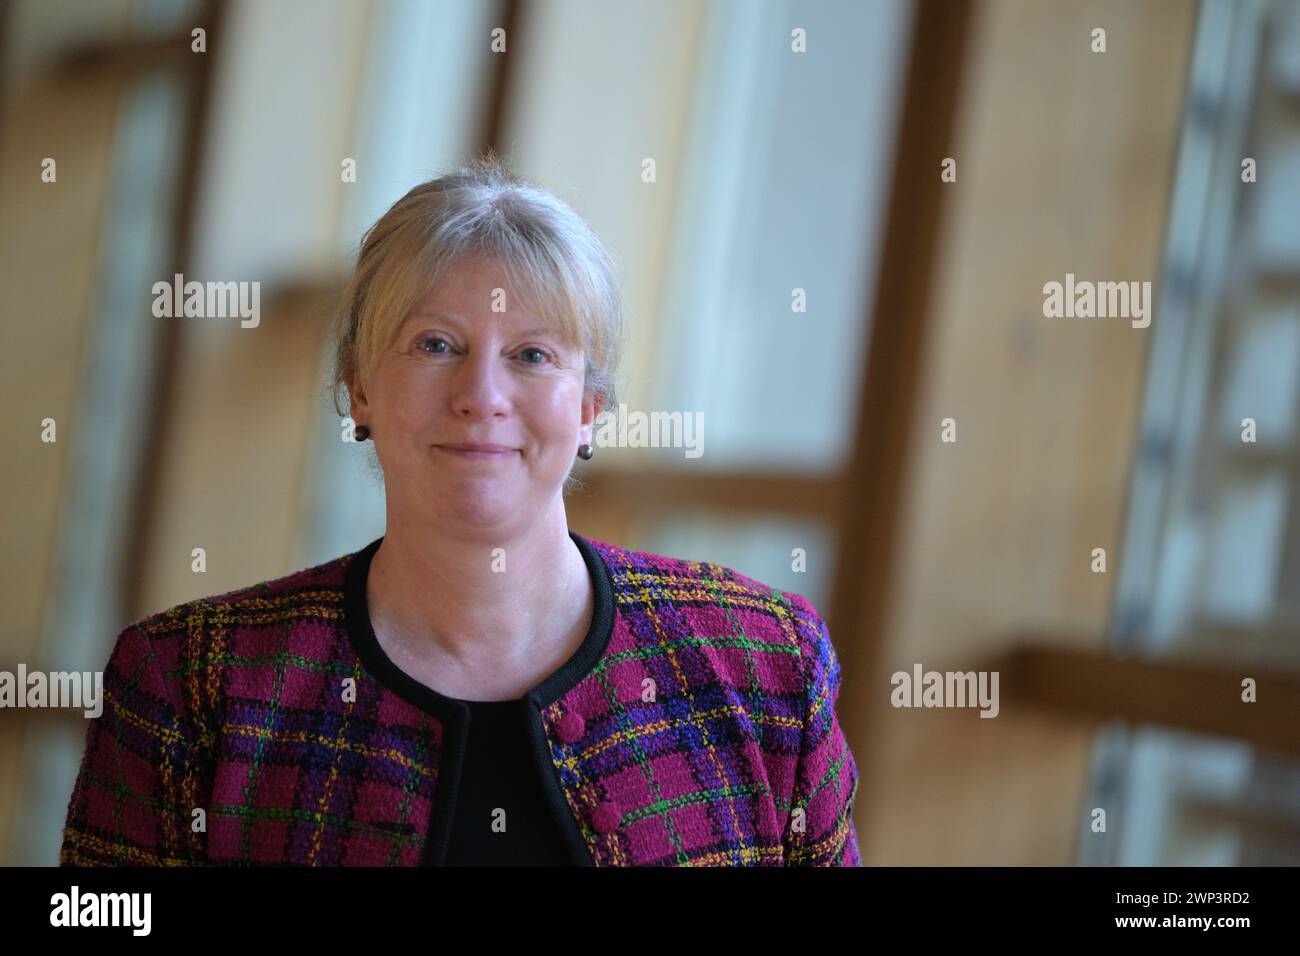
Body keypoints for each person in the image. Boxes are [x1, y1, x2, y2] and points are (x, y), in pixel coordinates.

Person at [59, 154, 860, 867]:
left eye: (532, 355)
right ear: (360, 387)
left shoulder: (765, 666)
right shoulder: (187, 687)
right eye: (435, 344)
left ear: (588, 409)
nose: (481, 397)